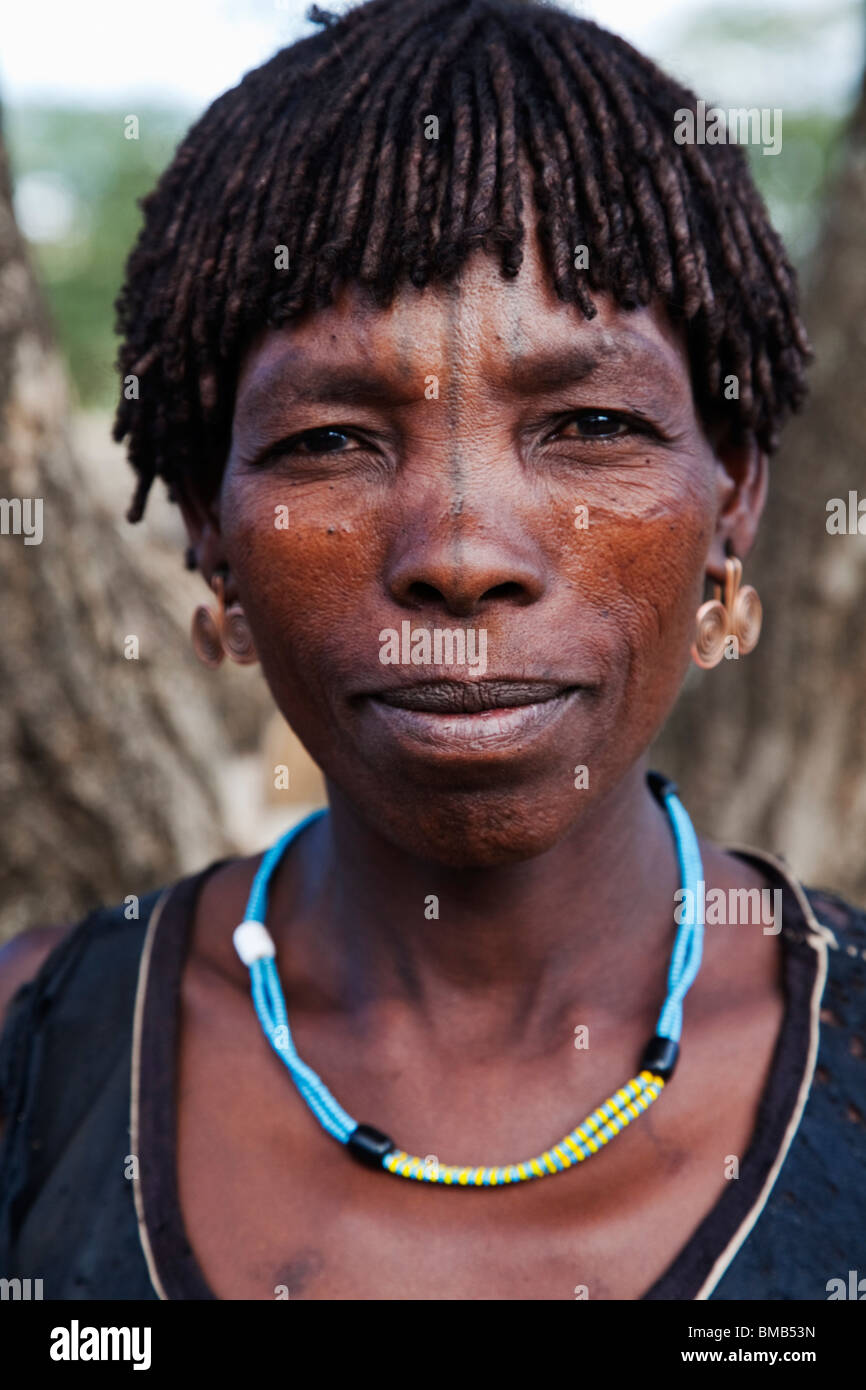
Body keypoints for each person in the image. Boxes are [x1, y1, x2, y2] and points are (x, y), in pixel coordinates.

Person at [1, 0, 863, 1302]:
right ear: (210, 537)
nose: (459, 553)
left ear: (731, 500)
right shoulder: (31, 1047)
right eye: (330, 440)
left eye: (587, 421)